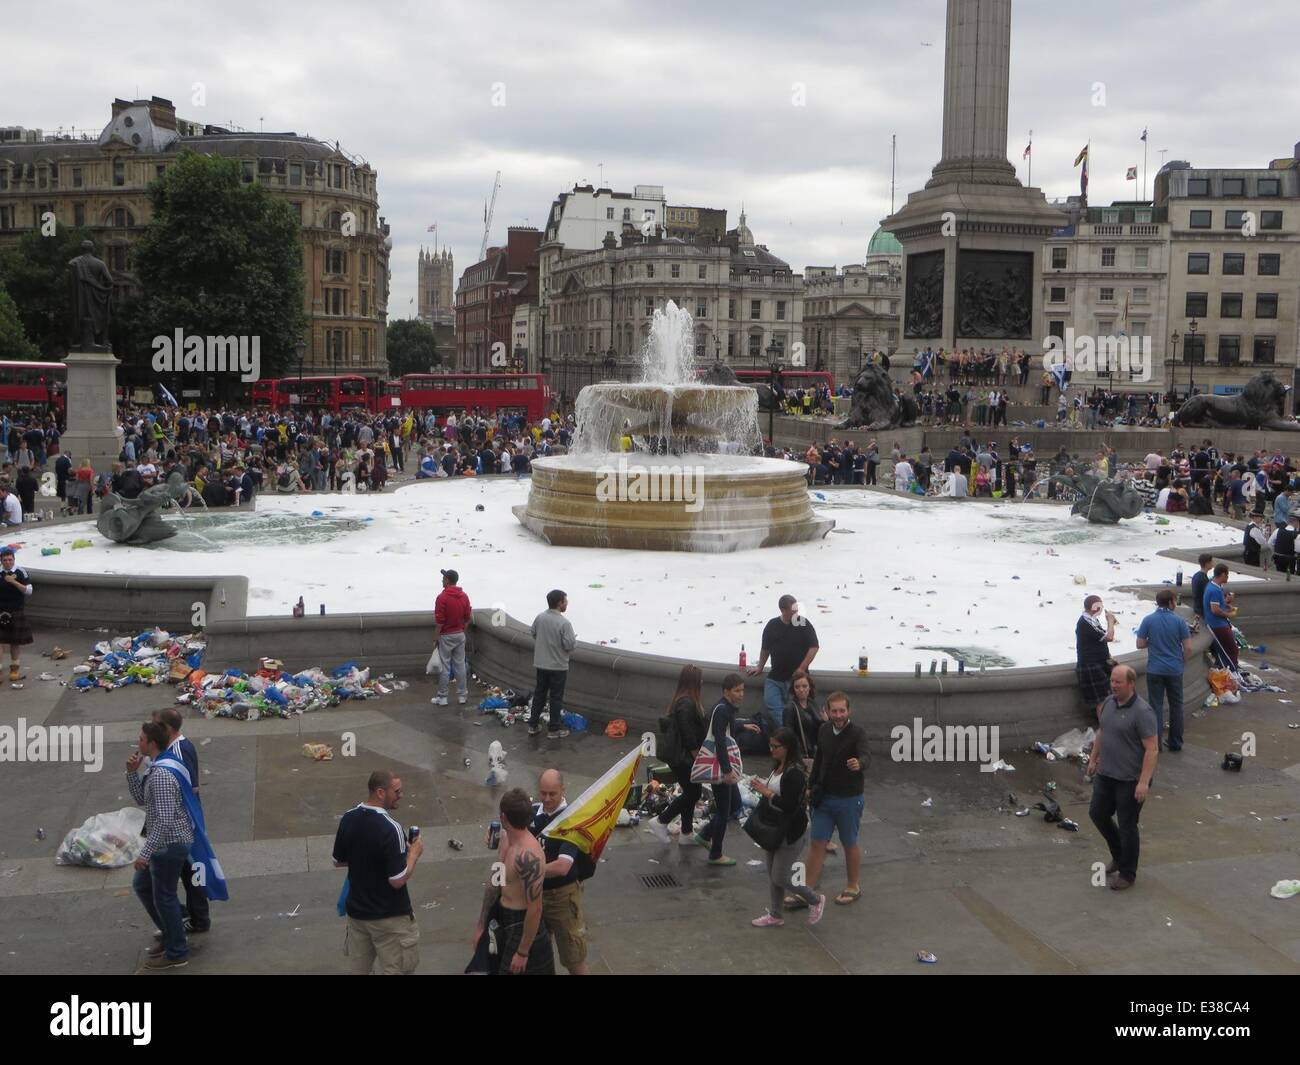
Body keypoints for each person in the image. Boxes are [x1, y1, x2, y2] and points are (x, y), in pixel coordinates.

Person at [331, 770, 423, 975]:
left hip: (357, 917)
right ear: (381, 792)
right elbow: (397, 880)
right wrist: (414, 854)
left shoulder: (348, 818)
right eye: (397, 791)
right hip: (389, 918)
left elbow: (338, 861)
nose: (401, 795)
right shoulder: (392, 828)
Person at [126, 720, 195, 969]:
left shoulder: (162, 774)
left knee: (163, 896)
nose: (138, 743)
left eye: (141, 739)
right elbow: (144, 799)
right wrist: (132, 773)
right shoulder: (155, 767)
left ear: (152, 743)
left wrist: (145, 853)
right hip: (164, 842)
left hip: (170, 844)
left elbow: (164, 820)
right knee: (144, 886)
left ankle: (177, 950)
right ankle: (172, 933)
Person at [1087, 665, 1158, 890]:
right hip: (1107, 773)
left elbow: (1152, 749)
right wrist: (1093, 758)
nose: (1113, 685)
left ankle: (1128, 873)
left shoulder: (1143, 712)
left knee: (1128, 825)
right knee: (1097, 813)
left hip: (1130, 779)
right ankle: (1118, 855)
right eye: (1112, 681)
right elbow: (1102, 731)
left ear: (1131, 684)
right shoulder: (1108, 703)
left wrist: (1144, 782)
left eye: (1118, 682)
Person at [746, 728, 825, 927]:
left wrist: (767, 792)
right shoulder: (778, 766)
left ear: (787, 748)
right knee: (773, 875)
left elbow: (789, 805)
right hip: (774, 828)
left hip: (790, 832)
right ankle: (775, 914)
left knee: (780, 877)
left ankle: (815, 900)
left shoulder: (794, 773)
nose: (771, 749)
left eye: (775, 746)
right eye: (770, 745)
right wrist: (763, 786)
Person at [475, 788, 555, 974]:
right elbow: (496, 882)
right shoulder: (505, 840)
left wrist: (523, 952)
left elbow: (535, 908)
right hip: (504, 919)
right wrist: (482, 925)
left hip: (524, 927)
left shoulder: (529, 856)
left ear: (503, 817)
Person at [802, 692, 868, 906]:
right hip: (825, 797)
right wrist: (810, 787)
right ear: (827, 712)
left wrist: (859, 763)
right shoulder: (823, 730)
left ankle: (853, 885)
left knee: (849, 843)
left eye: (842, 710)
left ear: (849, 711)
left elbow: (866, 755)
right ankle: (807, 891)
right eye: (834, 711)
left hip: (849, 798)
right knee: (817, 842)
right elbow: (819, 759)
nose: (838, 715)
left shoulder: (857, 733)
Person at [155, 707, 210, 933]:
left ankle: (198, 918)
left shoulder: (179, 750)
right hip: (184, 821)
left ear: (166, 728)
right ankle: (194, 915)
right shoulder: (174, 747)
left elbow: (188, 789)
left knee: (191, 872)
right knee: (189, 872)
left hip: (184, 823)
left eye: (154, 725)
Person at [529, 769, 589, 975]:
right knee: (538, 955)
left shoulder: (571, 819)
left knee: (573, 958)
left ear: (563, 790)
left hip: (562, 897)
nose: (546, 799)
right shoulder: (533, 812)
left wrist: (528, 870)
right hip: (536, 895)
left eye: (552, 794)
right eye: (543, 793)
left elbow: (563, 867)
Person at [649, 664, 708, 843]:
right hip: (684, 758)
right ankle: (661, 821)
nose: (703, 682)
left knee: (692, 792)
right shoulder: (687, 703)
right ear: (694, 682)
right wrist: (697, 754)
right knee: (693, 793)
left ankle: (687, 833)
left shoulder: (681, 700)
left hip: (681, 757)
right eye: (700, 679)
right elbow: (687, 732)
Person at [694, 673, 746, 866]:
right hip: (721, 767)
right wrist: (726, 770)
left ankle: (705, 834)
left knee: (733, 804)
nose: (741, 694)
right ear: (726, 691)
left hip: (722, 766)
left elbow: (724, 730)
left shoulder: (725, 708)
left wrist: (743, 725)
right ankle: (716, 854)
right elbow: (719, 739)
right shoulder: (723, 710)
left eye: (742, 690)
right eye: (737, 690)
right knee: (725, 808)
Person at [748, 595, 819, 734]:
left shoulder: (803, 623)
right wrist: (760, 666)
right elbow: (765, 648)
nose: (796, 613)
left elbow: (814, 647)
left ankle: (791, 738)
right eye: (793, 611)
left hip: (796, 679)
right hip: (775, 677)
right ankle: (788, 735)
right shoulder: (772, 625)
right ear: (783, 610)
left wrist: (802, 668)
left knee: (797, 710)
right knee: (774, 707)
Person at [1135, 589, 1192, 752]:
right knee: (1176, 705)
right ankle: (1175, 742)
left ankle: (1156, 744)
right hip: (1174, 669)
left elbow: (1139, 644)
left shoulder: (1148, 620)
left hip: (1154, 670)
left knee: (1155, 706)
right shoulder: (1179, 621)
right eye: (1175, 601)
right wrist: (1182, 663)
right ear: (1170, 602)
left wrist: (1152, 642)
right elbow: (1187, 648)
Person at [528, 589, 576, 739]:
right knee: (556, 698)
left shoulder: (540, 617)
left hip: (541, 664)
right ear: (559, 603)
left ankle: (533, 725)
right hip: (558, 666)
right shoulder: (564, 623)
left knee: (539, 695)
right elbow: (569, 645)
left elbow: (533, 632)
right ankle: (553, 730)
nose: (567, 603)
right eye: (565, 601)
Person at [431, 568, 472, 706]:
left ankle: (442, 697)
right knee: (460, 665)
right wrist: (462, 632)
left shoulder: (442, 598)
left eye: (443, 578)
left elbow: (439, 622)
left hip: (446, 636)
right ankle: (462, 696)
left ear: (447, 580)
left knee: (445, 667)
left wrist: (435, 638)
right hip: (460, 634)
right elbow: (468, 618)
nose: (442, 580)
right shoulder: (464, 596)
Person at [1076, 594, 1117, 719]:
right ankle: (1105, 731)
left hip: (1099, 662)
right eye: (1100, 605)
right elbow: (1108, 637)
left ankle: (1108, 729)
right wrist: (1110, 621)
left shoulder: (1092, 620)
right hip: (1091, 664)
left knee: (1107, 697)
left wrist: (1109, 657)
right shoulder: (1085, 622)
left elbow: (1098, 641)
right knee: (1103, 701)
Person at [0, 546, 32, 681]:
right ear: (1, 561)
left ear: (14, 560)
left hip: (16, 611)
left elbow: (29, 591)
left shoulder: (21, 572)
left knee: (14, 643)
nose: (8, 562)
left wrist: (13, 581)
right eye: (5, 560)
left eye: (10, 560)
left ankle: (14, 671)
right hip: (0, 611)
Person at [782, 669, 824, 763]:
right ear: (793, 689)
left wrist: (825, 721)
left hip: (814, 752)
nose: (801, 690)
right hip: (800, 755)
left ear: (809, 687)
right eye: (797, 687)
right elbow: (789, 735)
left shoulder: (813, 704)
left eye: (804, 686)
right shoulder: (790, 708)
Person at [1203, 563, 1239, 670]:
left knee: (1224, 649)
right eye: (1227, 575)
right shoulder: (1214, 590)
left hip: (1217, 623)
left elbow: (1218, 604)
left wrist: (1227, 604)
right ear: (1222, 574)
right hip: (1218, 625)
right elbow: (1215, 609)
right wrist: (1229, 614)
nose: (1227, 577)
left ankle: (1224, 668)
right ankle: (1231, 670)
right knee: (1232, 649)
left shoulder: (1213, 586)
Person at [1189, 554, 1214, 621]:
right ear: (1207, 564)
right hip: (1202, 611)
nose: (1213, 563)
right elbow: (1207, 596)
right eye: (1211, 562)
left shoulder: (1196, 575)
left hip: (1197, 608)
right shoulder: (1203, 579)